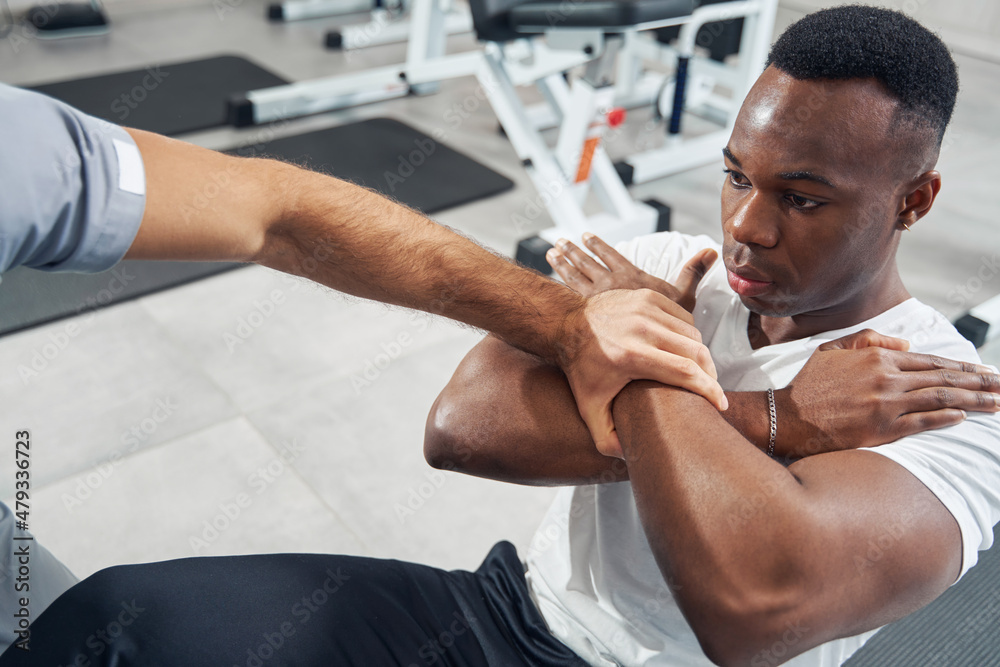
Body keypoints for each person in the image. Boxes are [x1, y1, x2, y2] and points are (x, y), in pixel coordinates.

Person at [2, 5, 999, 667]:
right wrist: (769, 421)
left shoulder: (946, 400)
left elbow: (750, 601)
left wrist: (633, 346)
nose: (743, 224)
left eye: (803, 197)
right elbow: (464, 426)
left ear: (914, 200)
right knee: (119, 627)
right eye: (737, 173)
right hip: (499, 610)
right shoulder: (661, 260)